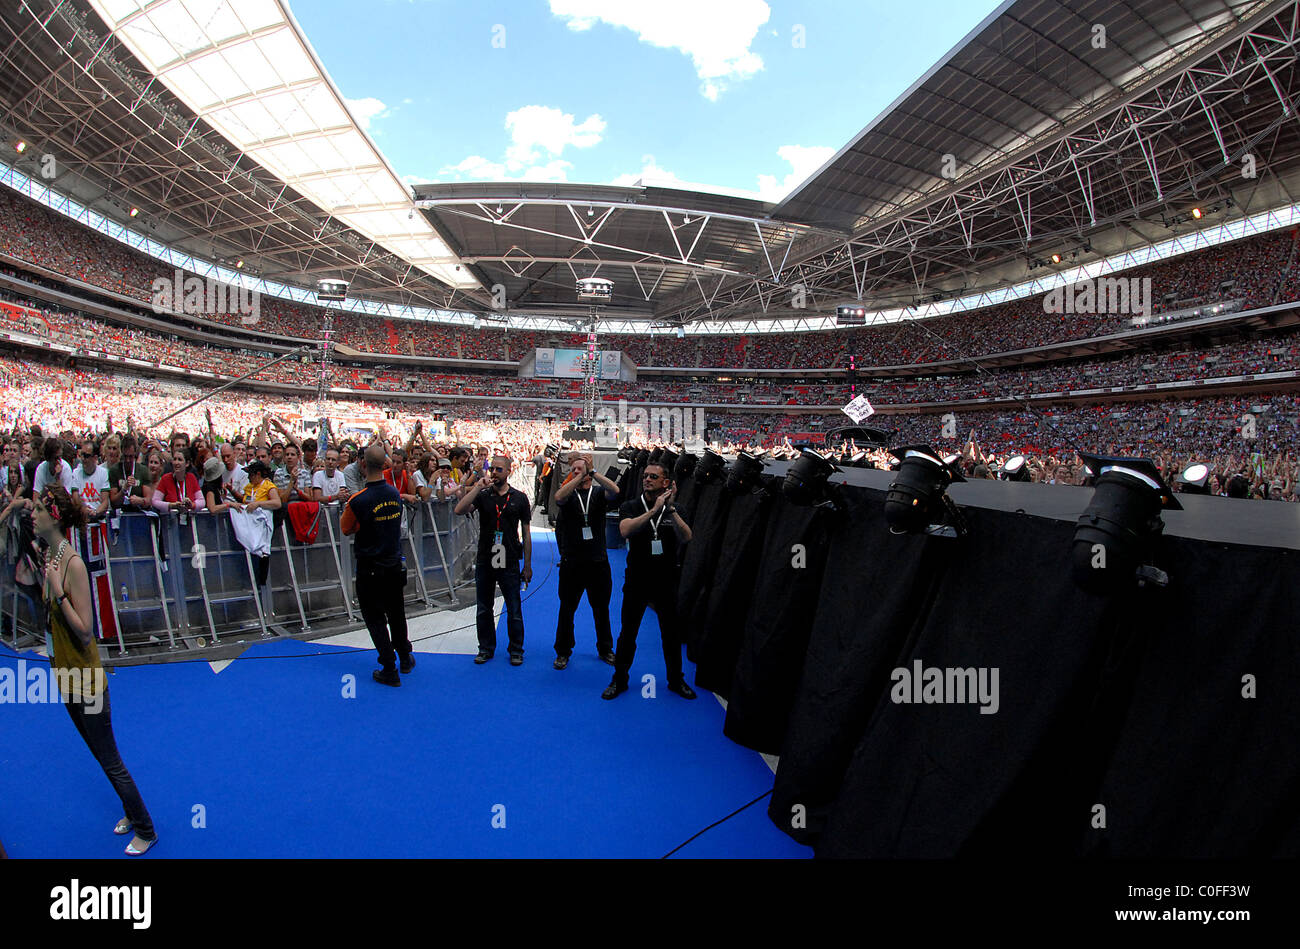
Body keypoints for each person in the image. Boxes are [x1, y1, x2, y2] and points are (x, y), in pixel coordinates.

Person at [35, 484, 157, 855]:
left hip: (86, 679)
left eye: (39, 509)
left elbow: (86, 630)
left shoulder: (72, 564)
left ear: (54, 515)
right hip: (65, 674)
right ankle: (131, 813)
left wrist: (57, 591)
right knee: (98, 754)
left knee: (110, 759)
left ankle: (146, 829)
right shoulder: (50, 556)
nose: (33, 514)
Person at [602, 461, 696, 701]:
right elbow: (625, 530)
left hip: (666, 581)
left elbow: (687, 536)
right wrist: (653, 511)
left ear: (666, 483)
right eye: (645, 476)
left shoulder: (676, 510)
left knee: (671, 635)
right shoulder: (631, 506)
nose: (647, 479)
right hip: (637, 580)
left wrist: (669, 509)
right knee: (628, 633)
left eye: (653, 476)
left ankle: (676, 680)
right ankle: (619, 679)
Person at [341, 444, 412, 686]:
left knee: (375, 618)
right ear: (385, 465)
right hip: (393, 563)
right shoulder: (394, 494)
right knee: (396, 613)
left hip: (370, 567)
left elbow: (346, 528)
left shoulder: (358, 500)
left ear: (363, 464)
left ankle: (389, 667)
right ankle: (405, 657)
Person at [455, 455, 532, 665]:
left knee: (514, 608)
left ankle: (516, 649)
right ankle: (485, 648)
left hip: (510, 558)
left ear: (508, 471)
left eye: (499, 469)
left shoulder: (520, 498)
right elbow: (459, 510)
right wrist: (477, 487)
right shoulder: (483, 495)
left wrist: (527, 565)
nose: (494, 473)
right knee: (483, 607)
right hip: (485, 559)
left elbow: (526, 533)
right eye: (492, 469)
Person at [551, 453, 618, 669]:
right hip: (572, 562)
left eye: (581, 469)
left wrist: (593, 472)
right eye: (574, 470)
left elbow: (615, 491)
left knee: (601, 609)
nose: (577, 472)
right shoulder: (569, 494)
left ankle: (605, 648)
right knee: (566, 609)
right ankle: (563, 651)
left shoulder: (598, 493)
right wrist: (577, 477)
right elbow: (558, 497)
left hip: (598, 562)